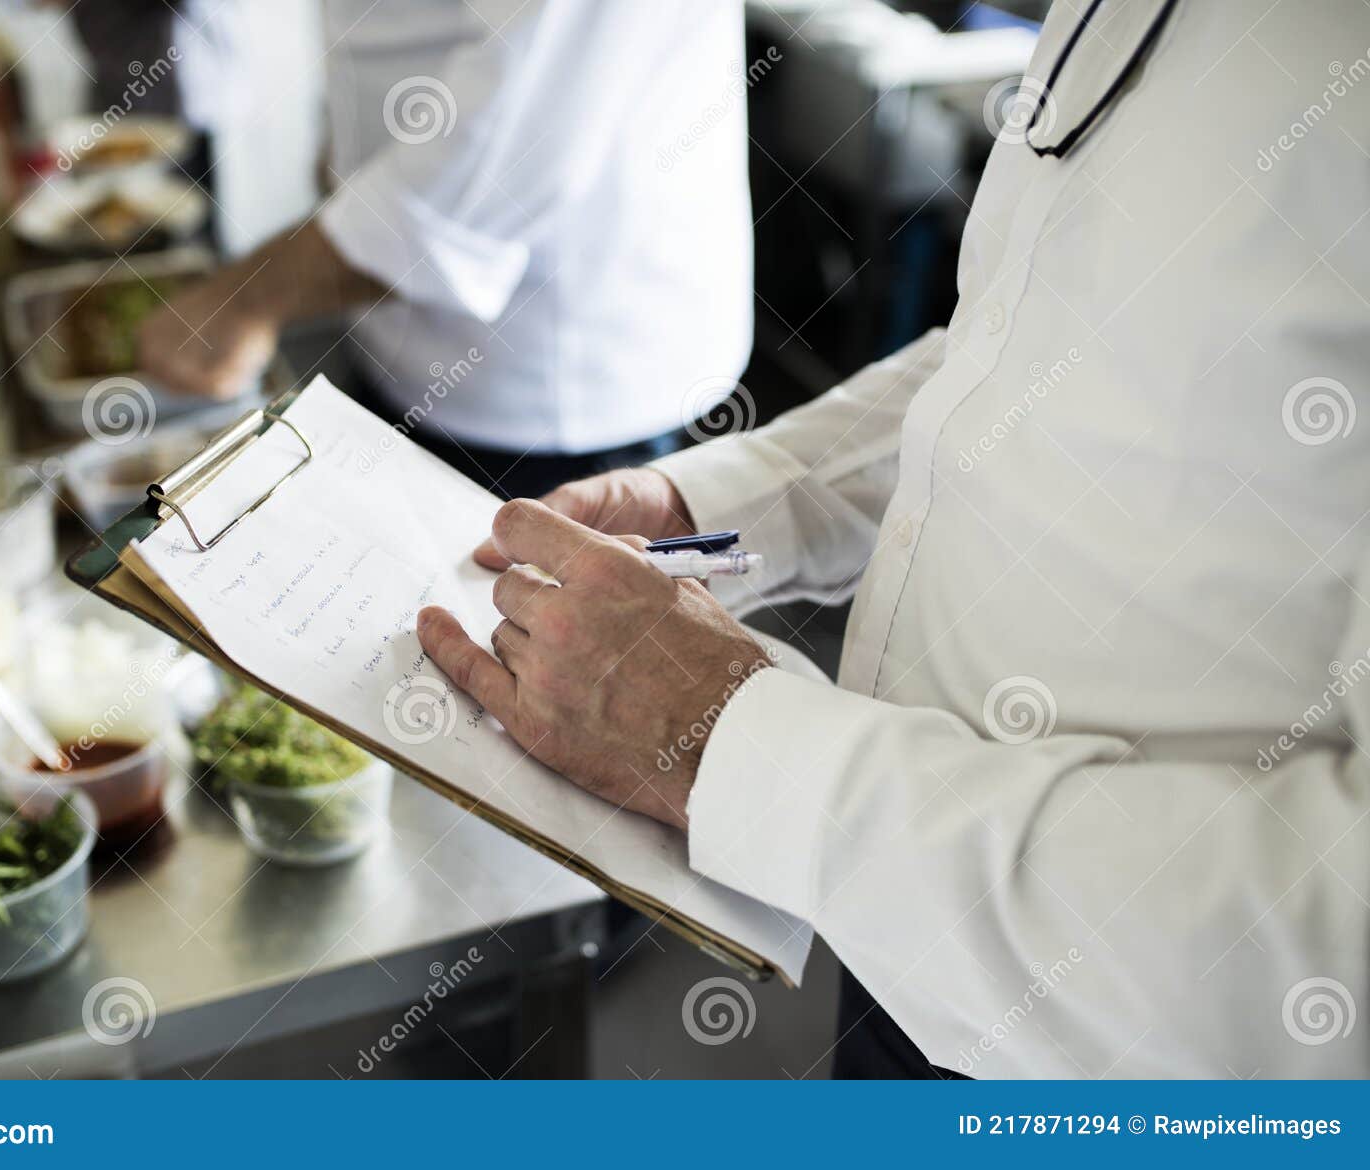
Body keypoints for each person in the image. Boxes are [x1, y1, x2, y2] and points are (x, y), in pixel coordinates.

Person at [413, 0, 1370, 1078]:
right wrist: (717, 506)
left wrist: (722, 743)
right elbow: (1033, 346)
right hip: (894, 943)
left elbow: (1338, 950)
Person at [139, 0, 752, 499]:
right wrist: (346, 143)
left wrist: (246, 301)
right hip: (396, 337)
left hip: (555, 386)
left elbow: (509, 152)